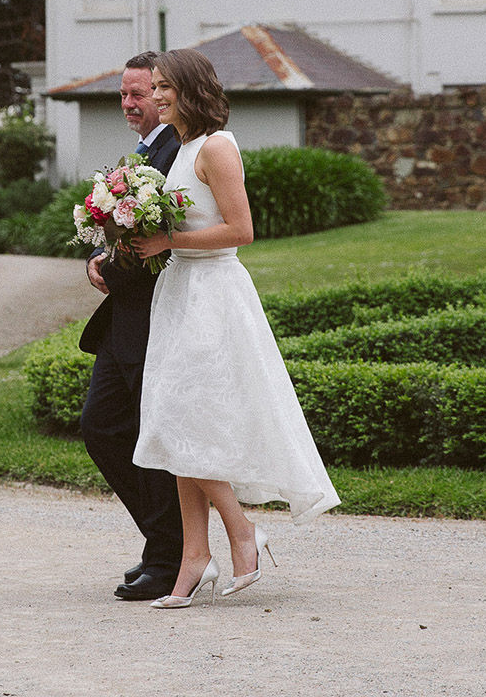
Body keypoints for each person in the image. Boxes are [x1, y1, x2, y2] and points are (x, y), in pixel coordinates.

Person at [130, 48, 340, 609]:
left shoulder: (217, 147)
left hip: (213, 297)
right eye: (152, 88)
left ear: (188, 88)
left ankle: (241, 529)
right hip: (179, 293)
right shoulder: (183, 149)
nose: (154, 96)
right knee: (176, 422)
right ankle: (195, 558)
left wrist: (167, 240)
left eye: (162, 87)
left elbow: (241, 230)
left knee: (183, 420)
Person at [78, 51, 184, 601]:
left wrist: (111, 268)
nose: (128, 104)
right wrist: (98, 258)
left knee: (152, 439)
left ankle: (170, 557)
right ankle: (171, 546)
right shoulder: (144, 154)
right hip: (124, 320)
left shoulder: (176, 151)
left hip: (152, 318)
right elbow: (126, 232)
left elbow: (159, 242)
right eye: (124, 95)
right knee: (102, 427)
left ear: (165, 95)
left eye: (138, 94)